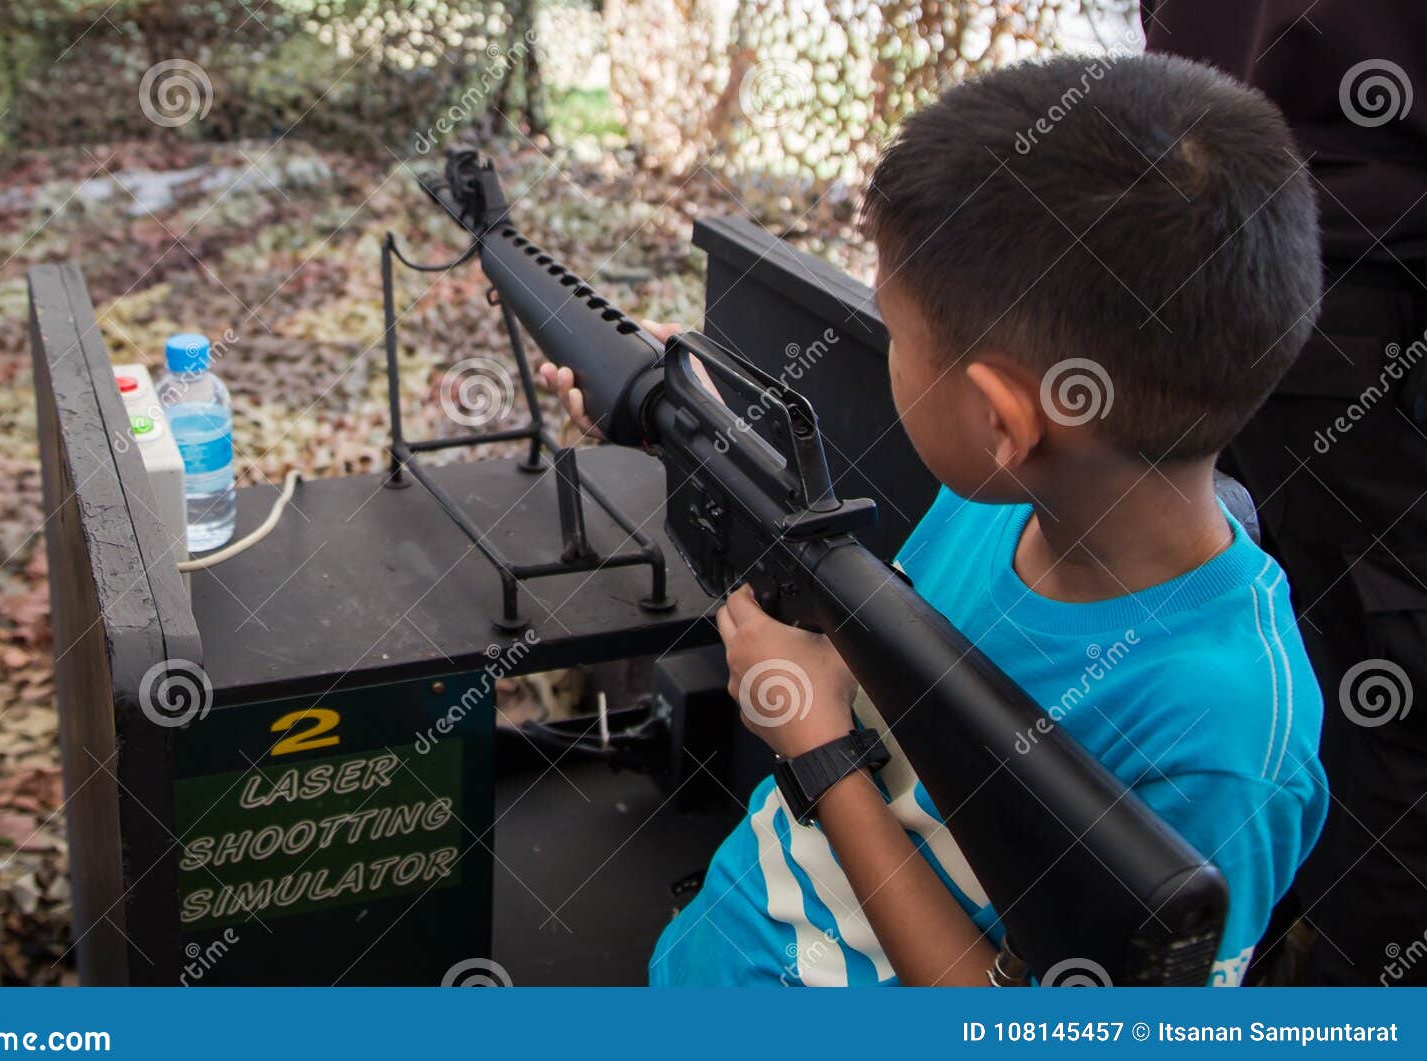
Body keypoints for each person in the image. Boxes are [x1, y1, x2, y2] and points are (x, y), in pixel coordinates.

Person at [543, 54, 1328, 986]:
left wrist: (821, 750)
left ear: (1001, 421)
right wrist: (689, 432)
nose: (887, 355)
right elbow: (888, 690)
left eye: (895, 333)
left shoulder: (1230, 748)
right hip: (717, 957)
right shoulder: (997, 505)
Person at [1141, 0, 1427, 986]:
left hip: (1205, 279)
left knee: (1253, 635)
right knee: (1397, 738)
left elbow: (1165, 9)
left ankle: (1231, 940)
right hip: (1380, 325)